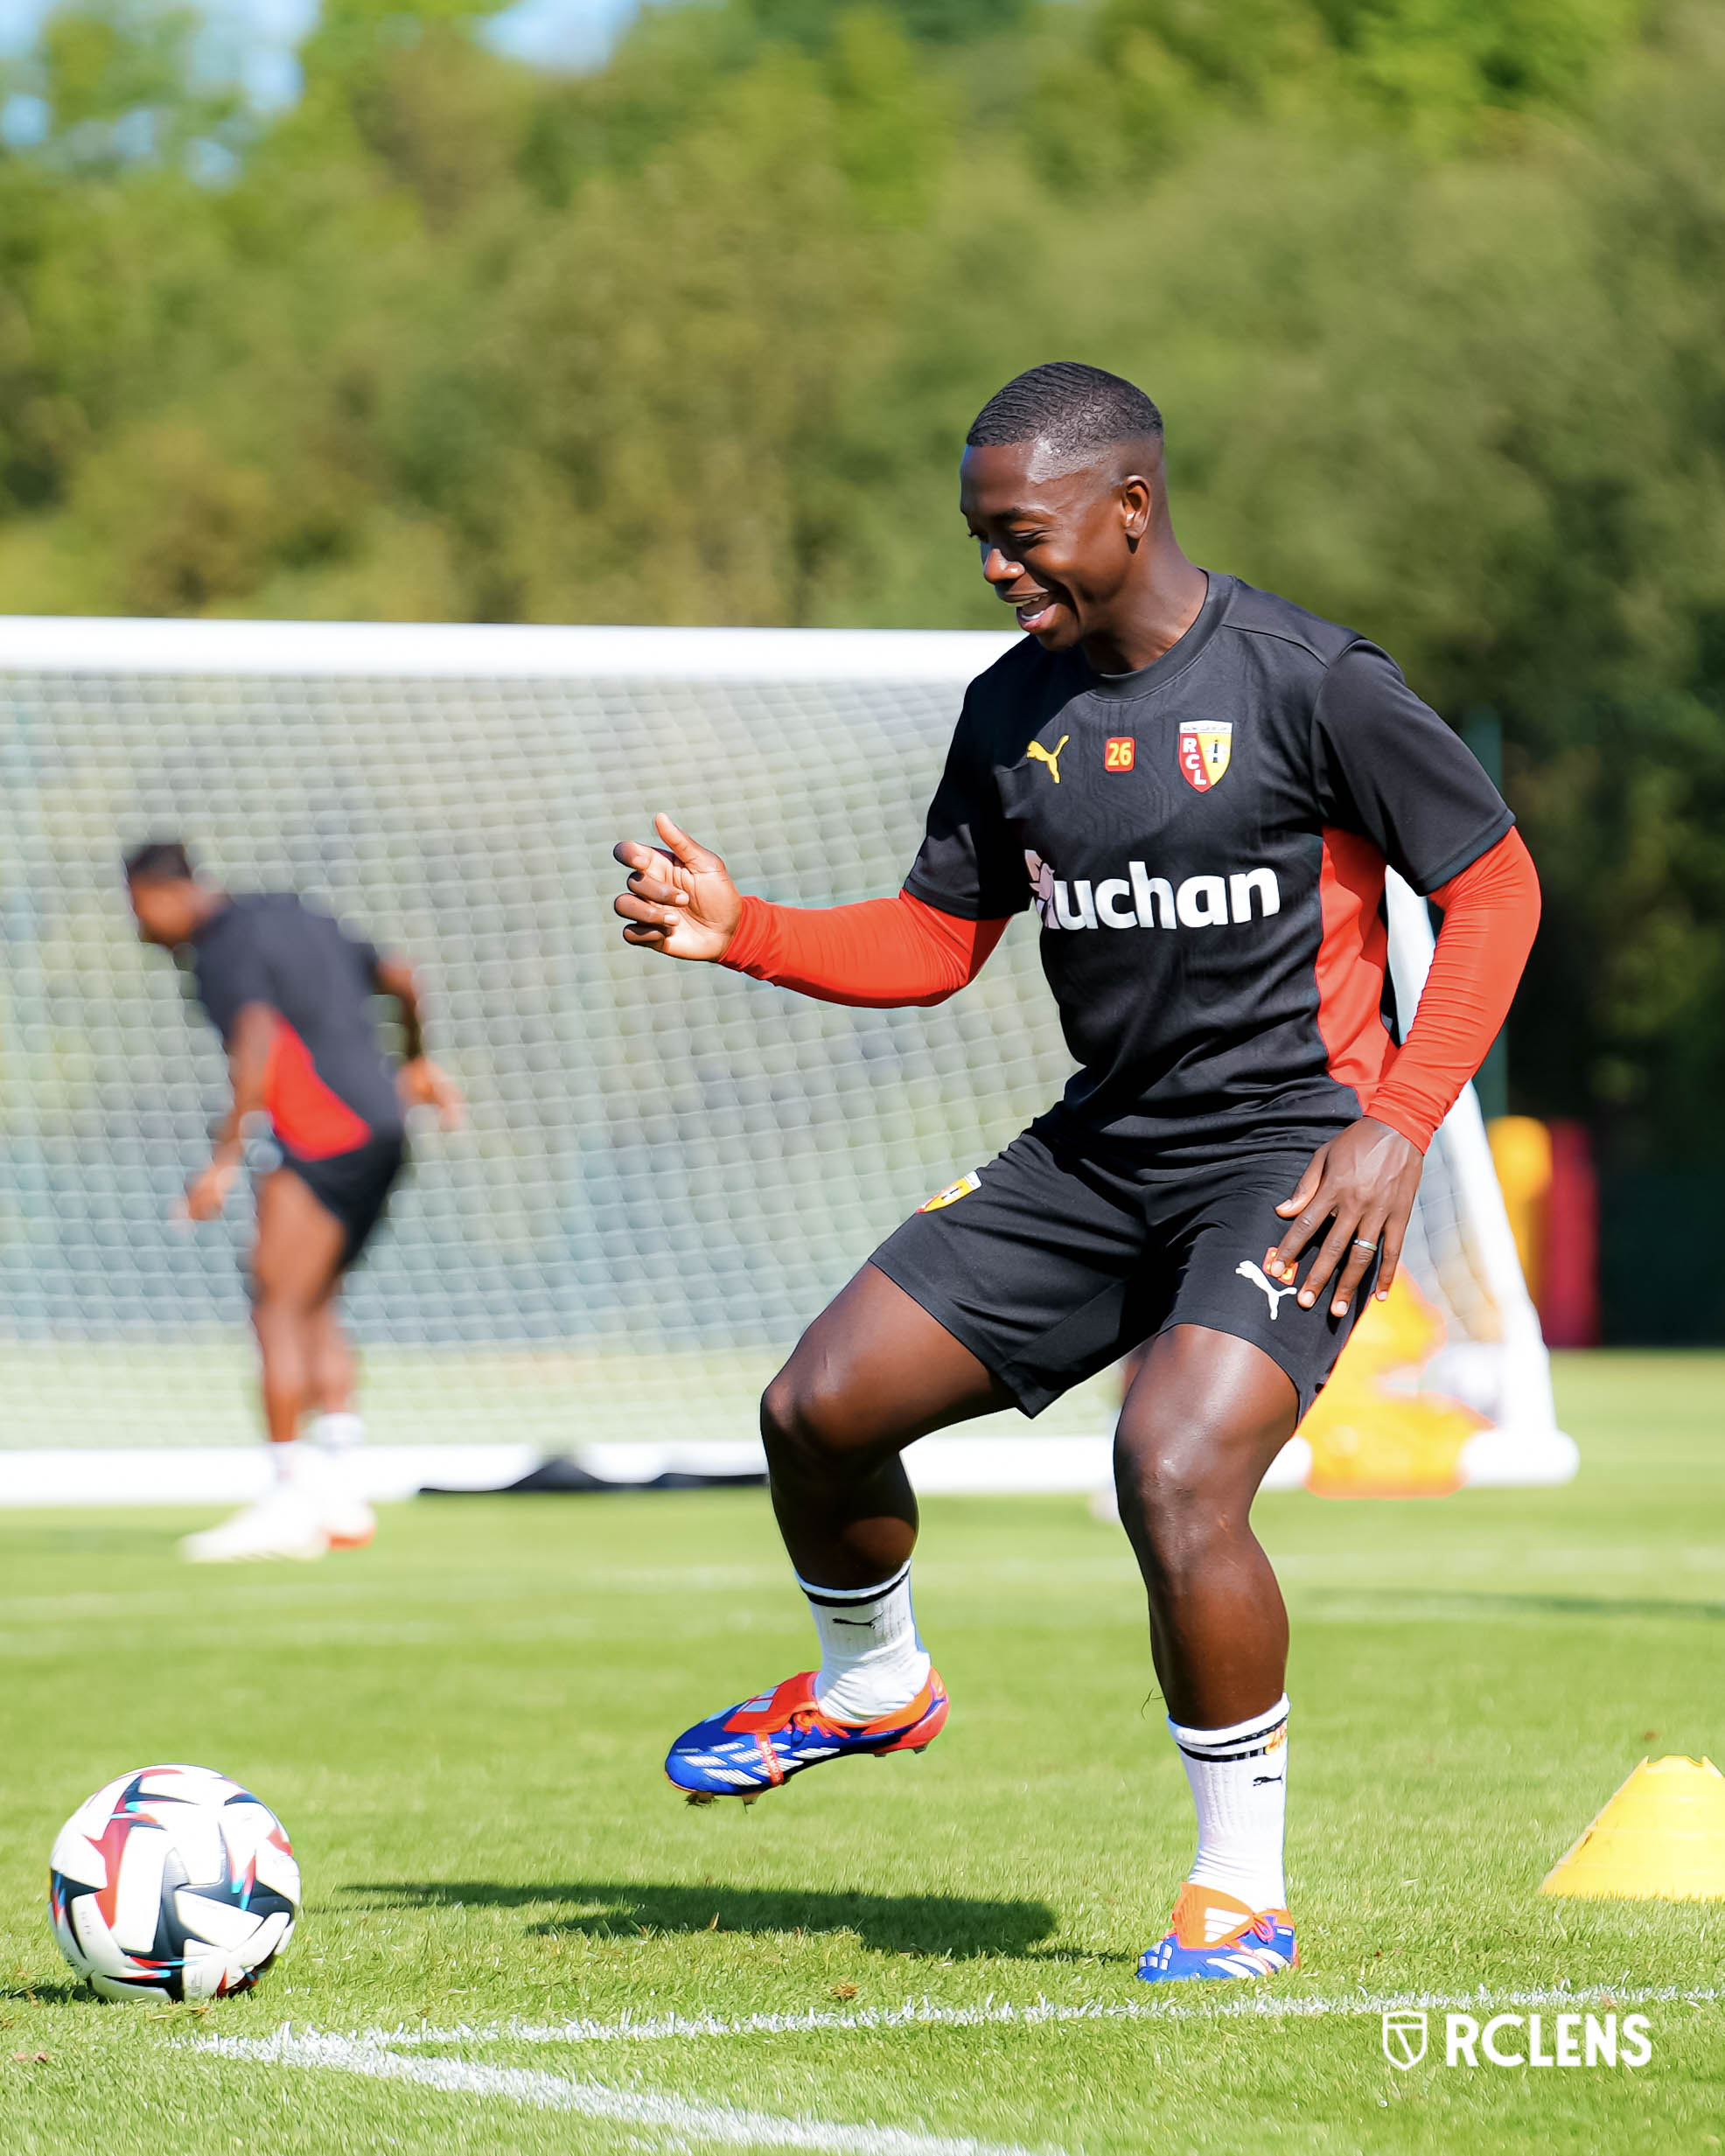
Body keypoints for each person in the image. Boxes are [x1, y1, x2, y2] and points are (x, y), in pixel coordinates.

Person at [611, 362, 1540, 1983]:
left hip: (1294, 1158)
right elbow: (933, 941)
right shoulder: (1008, 711)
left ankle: (1237, 1891)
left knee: (1174, 1470)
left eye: (1020, 535)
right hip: (1099, 1153)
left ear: (1130, 506)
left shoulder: (1310, 683)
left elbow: (1496, 889)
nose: (995, 568)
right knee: (813, 1409)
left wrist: (1395, 1125)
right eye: (979, 539)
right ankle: (867, 1683)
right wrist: (741, 930)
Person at [126, 841, 463, 1564]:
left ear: (162, 892)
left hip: (321, 1132)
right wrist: (418, 1062)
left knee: (274, 1302)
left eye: (137, 909)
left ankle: (286, 1497)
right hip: (384, 1125)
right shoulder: (293, 912)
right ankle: (341, 1493)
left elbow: (257, 1040)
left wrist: (223, 1159)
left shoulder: (221, 947)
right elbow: (403, 977)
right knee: (314, 1299)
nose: (139, 929)